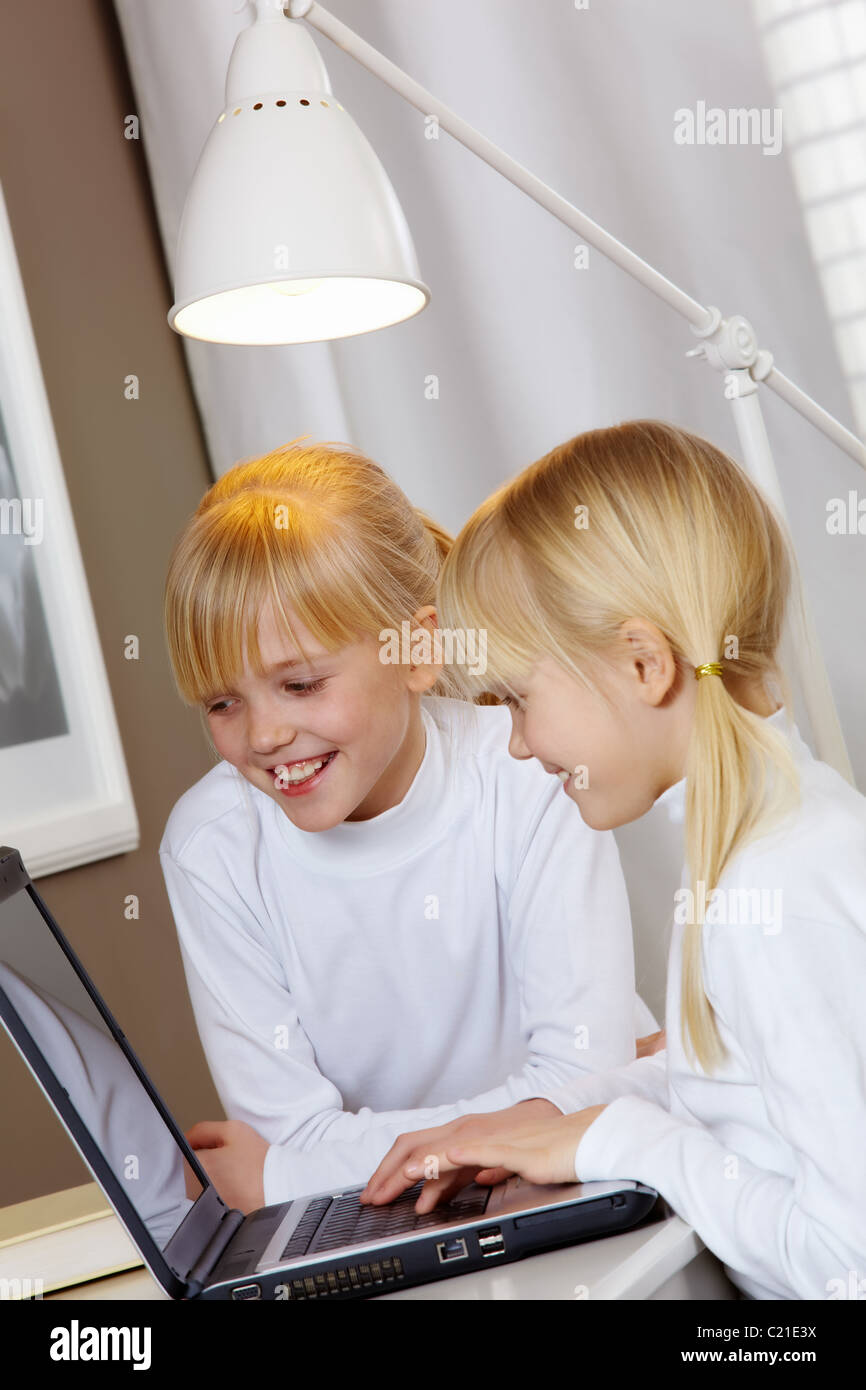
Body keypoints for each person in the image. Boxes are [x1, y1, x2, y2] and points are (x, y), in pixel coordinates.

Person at [361, 419, 866, 1302]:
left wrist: (622, 1141)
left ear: (642, 664)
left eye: (519, 700)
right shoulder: (772, 838)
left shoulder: (775, 894)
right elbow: (738, 1080)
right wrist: (548, 1120)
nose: (516, 745)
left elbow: (846, 1266)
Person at [158, 440, 658, 1212]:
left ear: (417, 649)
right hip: (392, 1207)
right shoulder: (212, 849)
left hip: (582, 1180)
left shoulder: (532, 775)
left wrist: (296, 1173)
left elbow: (582, 1084)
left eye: (300, 684)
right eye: (222, 703)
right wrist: (515, 1119)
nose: (261, 736)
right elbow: (287, 1130)